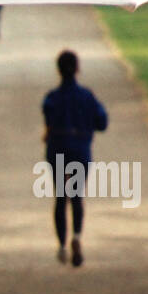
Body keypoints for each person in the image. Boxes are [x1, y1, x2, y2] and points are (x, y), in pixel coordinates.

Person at [42, 51, 108, 266]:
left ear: (58, 70)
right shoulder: (87, 97)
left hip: (58, 148)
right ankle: (77, 236)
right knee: (76, 195)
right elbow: (102, 122)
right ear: (78, 69)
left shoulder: (52, 98)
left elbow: (49, 117)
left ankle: (61, 246)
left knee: (61, 197)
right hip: (80, 149)